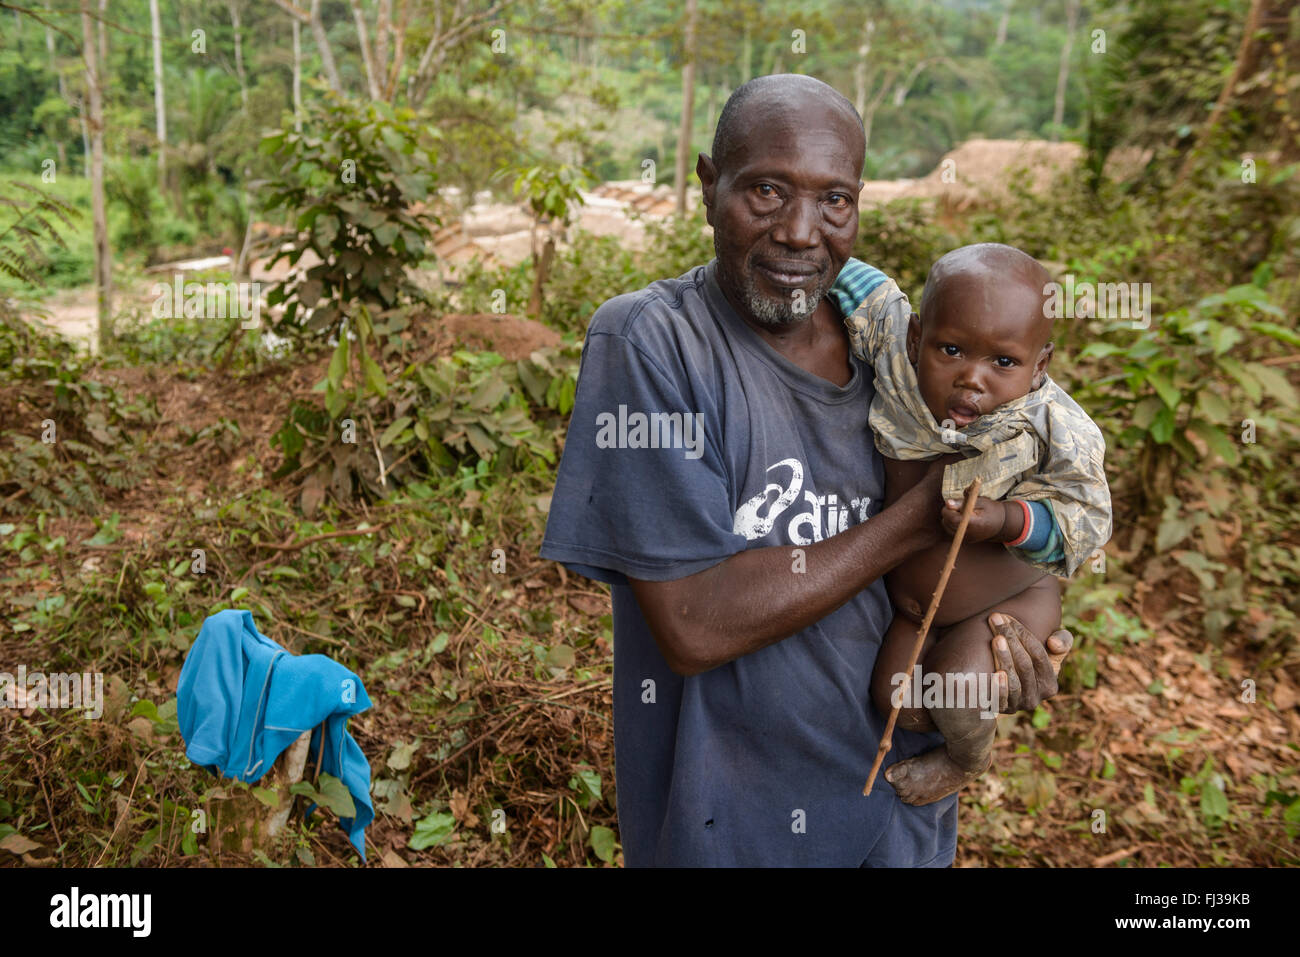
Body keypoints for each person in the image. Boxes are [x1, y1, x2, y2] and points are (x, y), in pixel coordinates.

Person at [539, 73, 1074, 867]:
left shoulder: (903, 357)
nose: (800, 231)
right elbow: (693, 623)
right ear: (707, 185)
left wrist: (1001, 656)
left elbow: (990, 544)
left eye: (835, 201)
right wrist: (918, 516)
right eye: (765, 190)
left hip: (899, 816)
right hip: (733, 828)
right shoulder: (655, 345)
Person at [824, 245, 1112, 807]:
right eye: (951, 350)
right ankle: (957, 730)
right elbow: (858, 284)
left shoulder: (1047, 425)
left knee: (959, 685)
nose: (972, 380)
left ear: (1040, 366)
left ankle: (967, 757)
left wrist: (1004, 518)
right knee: (899, 702)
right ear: (915, 339)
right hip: (914, 610)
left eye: (1003, 362)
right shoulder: (898, 366)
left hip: (1007, 601)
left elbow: (1086, 517)